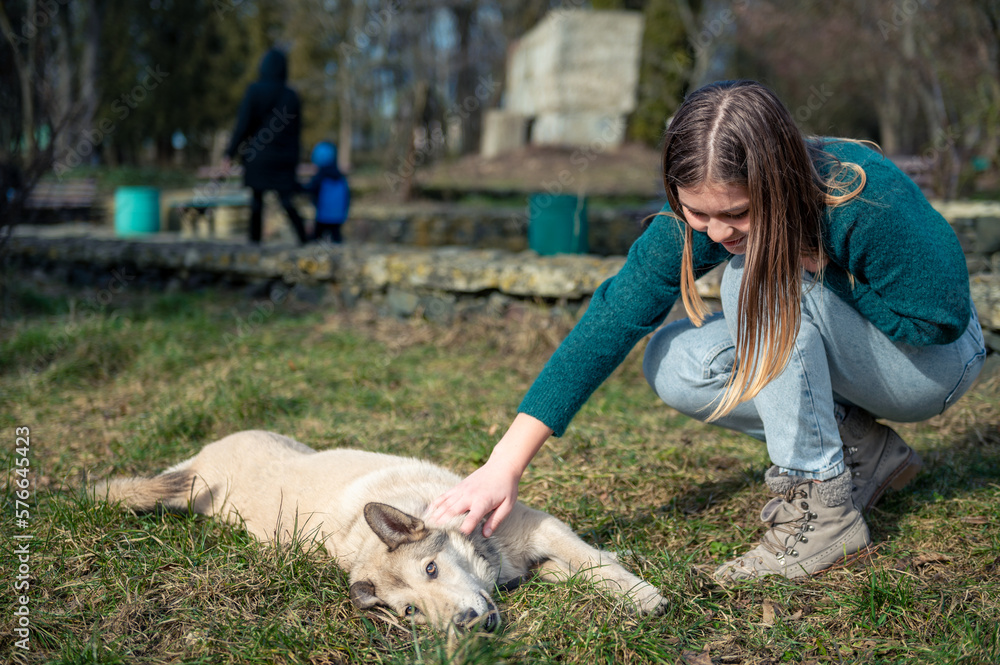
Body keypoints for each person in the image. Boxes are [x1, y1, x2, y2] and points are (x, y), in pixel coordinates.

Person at [427, 79, 986, 582]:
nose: (717, 232)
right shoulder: (698, 218)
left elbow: (940, 321)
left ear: (780, 180)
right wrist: (504, 464)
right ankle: (860, 449)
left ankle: (821, 510)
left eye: (739, 213)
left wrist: (820, 265)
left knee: (753, 275)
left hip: (929, 365)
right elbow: (613, 317)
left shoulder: (862, 195)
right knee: (674, 362)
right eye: (697, 214)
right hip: (861, 347)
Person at [224, 48, 308, 245]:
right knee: (286, 200)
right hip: (284, 158)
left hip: (257, 156)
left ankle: (255, 245)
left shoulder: (254, 91)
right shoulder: (291, 96)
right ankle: (304, 240)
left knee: (256, 201)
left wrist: (229, 154)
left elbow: (242, 126)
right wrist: (294, 160)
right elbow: (297, 134)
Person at [304, 141, 350, 243]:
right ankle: (337, 247)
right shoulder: (341, 177)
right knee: (336, 236)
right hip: (338, 215)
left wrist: (296, 187)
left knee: (317, 237)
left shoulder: (320, 176)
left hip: (323, 214)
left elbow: (310, 189)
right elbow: (347, 196)